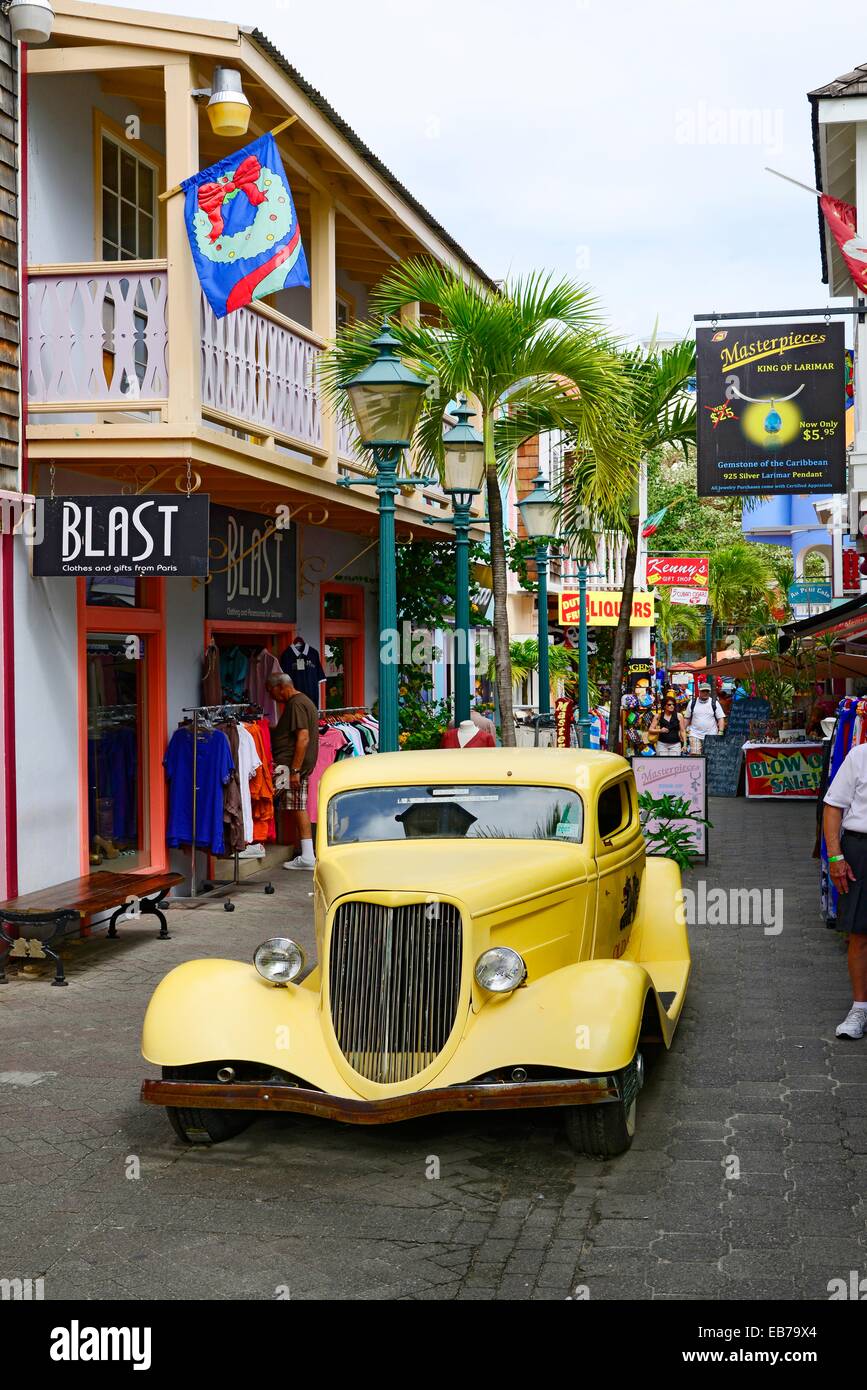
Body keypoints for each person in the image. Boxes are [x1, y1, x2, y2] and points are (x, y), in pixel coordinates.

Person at [822, 745, 867, 1038]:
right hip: (861, 849)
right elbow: (833, 807)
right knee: (860, 933)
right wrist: (836, 857)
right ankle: (860, 1008)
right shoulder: (860, 755)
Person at [267, 672, 320, 871]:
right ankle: (307, 854)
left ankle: (253, 844)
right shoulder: (303, 701)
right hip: (293, 767)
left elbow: (303, 738)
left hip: (289, 767)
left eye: (270, 691)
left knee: (264, 799)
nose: (271, 697)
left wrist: (295, 770)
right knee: (298, 806)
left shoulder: (296, 704)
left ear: (280, 686)